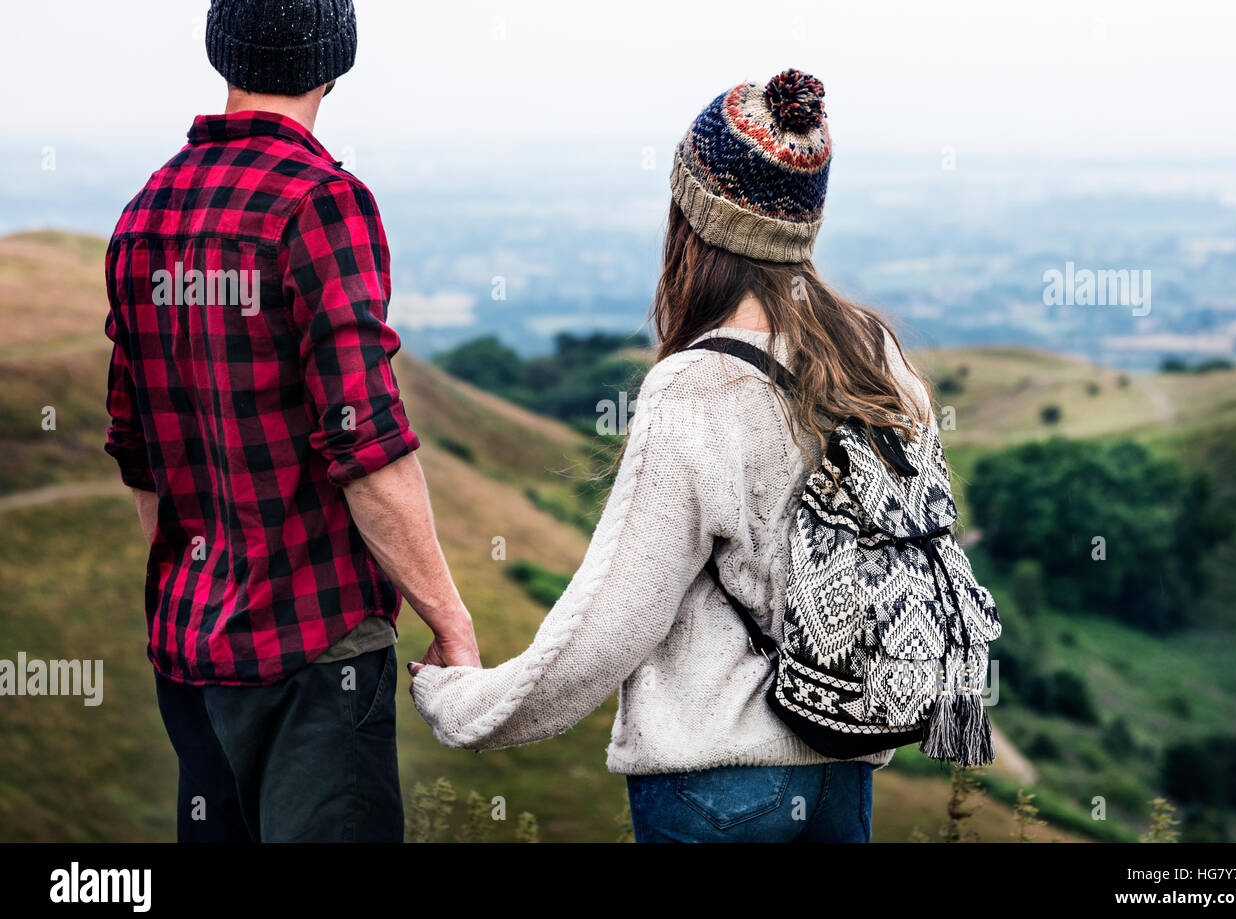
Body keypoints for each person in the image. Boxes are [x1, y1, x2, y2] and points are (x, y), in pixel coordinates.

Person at [411, 69, 934, 842]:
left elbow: (610, 624)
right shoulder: (876, 356)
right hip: (842, 774)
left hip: (718, 788)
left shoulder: (697, 384)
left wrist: (466, 705)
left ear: (693, 219)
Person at [103, 0, 478, 843]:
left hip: (192, 659)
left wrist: (205, 578)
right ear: (334, 62)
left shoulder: (142, 215)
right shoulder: (321, 204)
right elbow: (365, 443)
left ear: (221, 52)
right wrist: (450, 623)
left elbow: (137, 455)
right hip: (314, 656)